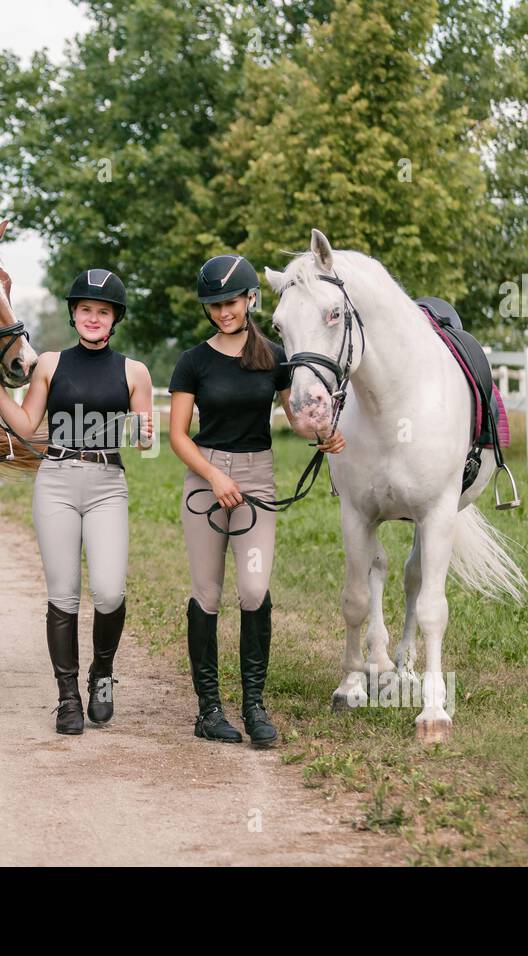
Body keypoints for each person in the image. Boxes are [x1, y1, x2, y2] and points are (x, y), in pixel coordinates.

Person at [168, 254, 345, 746]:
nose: (224, 312)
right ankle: (208, 710)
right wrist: (211, 475)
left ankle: (253, 705)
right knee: (207, 592)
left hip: (257, 482)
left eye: (232, 301)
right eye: (215, 304)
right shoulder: (193, 361)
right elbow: (177, 435)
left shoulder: (274, 358)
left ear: (250, 300)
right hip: (205, 479)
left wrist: (324, 435)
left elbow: (298, 418)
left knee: (252, 589)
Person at [0, 269, 154, 734]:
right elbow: (24, 421)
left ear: (114, 318)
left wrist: (145, 431)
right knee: (64, 595)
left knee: (111, 591)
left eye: (103, 311)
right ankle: (67, 696)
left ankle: (101, 674)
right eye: (86, 310)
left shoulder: (134, 371)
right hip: (55, 479)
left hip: (106, 484)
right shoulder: (51, 364)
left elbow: (142, 442)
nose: (94, 318)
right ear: (74, 315)